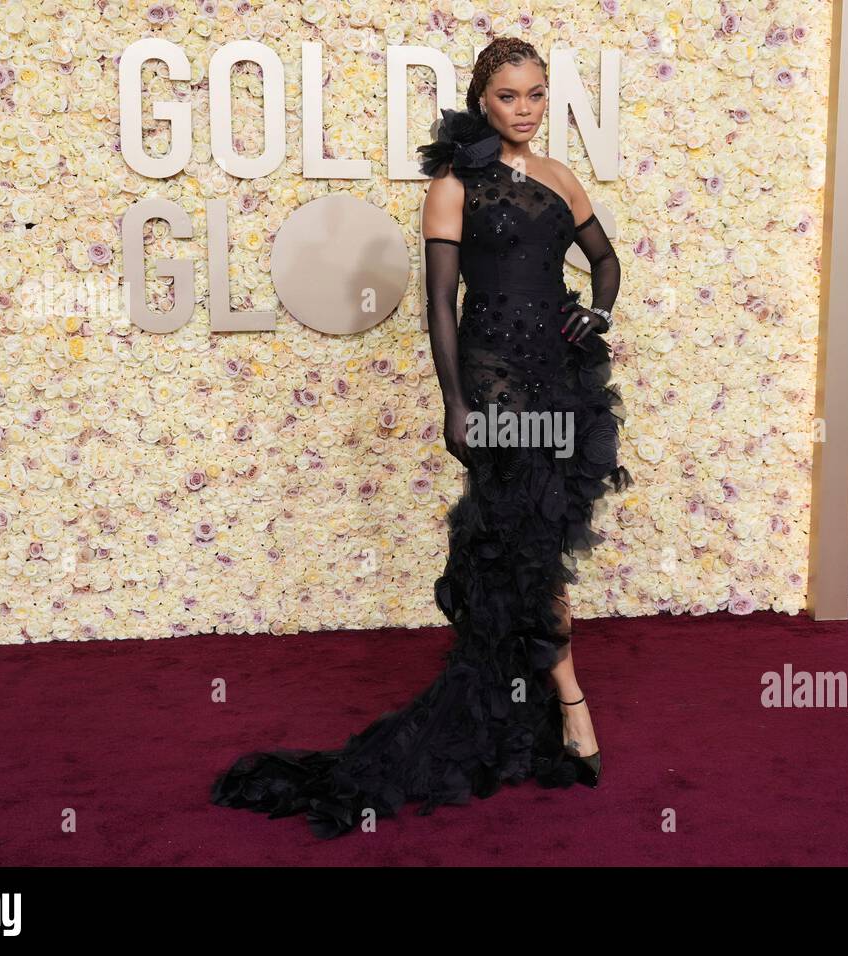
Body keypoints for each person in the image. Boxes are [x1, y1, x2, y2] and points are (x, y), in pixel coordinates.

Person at [209, 37, 631, 840]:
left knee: (541, 545)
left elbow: (604, 262)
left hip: (562, 380)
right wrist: (456, 403)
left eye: (537, 94)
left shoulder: (559, 178)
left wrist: (598, 311)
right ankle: (571, 711)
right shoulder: (452, 186)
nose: (525, 109)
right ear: (483, 101)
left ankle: (547, 710)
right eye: (509, 96)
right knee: (517, 551)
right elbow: (440, 303)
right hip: (497, 383)